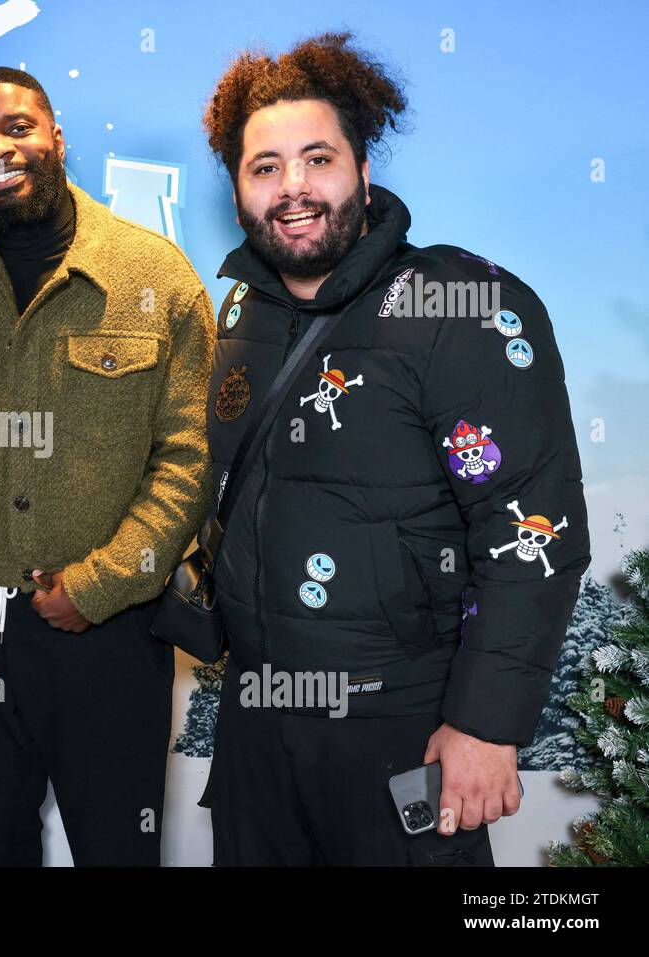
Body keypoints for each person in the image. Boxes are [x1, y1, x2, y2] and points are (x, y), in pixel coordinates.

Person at [198, 32, 590, 865]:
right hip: (256, 728)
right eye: (265, 167)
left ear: (364, 173)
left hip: (400, 726)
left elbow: (536, 526)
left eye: (317, 159)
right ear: (238, 193)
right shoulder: (242, 318)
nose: (293, 187)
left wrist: (487, 722)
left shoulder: (460, 304)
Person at [0, 67, 214, 866]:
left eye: (18, 128)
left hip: (113, 633)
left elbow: (189, 462)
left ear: (57, 137)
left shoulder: (156, 277)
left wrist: (98, 585)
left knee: (117, 848)